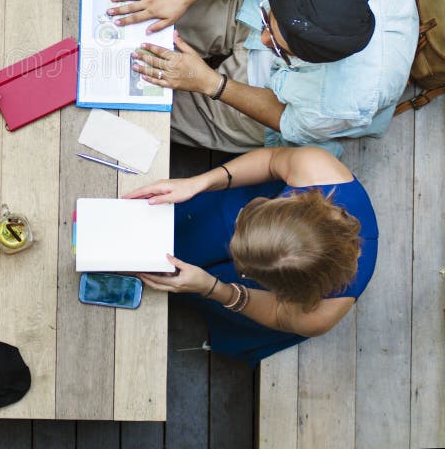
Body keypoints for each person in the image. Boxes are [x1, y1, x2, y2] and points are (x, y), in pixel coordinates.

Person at [108, 0, 417, 154]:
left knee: (148, 108)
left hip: (288, 99)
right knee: (149, 16)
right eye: (270, 21)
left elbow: (288, 119)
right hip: (254, 5)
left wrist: (210, 84)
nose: (264, 40)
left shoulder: (341, 103)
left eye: (280, 48)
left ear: (310, 60)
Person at [124, 146, 377, 367]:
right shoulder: (316, 168)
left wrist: (213, 288)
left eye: (243, 269)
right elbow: (271, 161)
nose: (232, 234)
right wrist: (200, 183)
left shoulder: (319, 315)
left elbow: (278, 313)